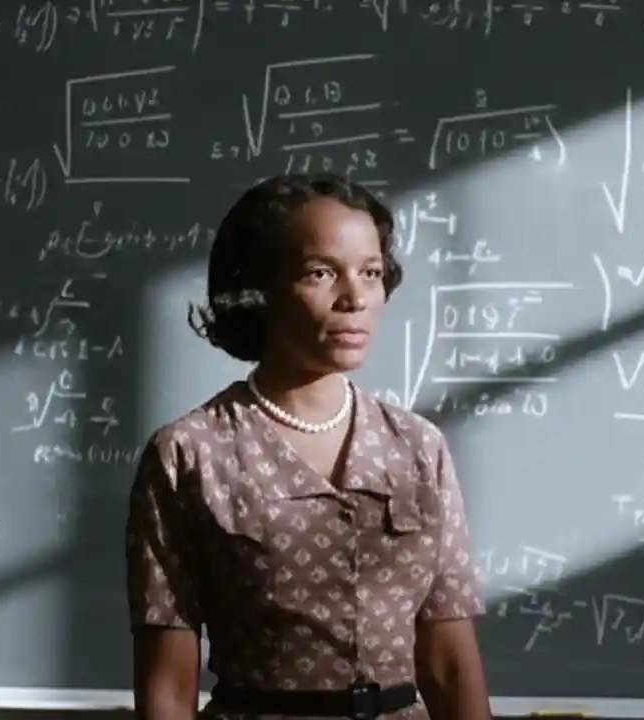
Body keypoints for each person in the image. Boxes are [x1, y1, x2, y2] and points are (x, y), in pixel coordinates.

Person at [125, 172, 491, 720]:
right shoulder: (189, 454)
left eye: (370, 273)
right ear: (260, 288)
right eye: (321, 273)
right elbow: (169, 687)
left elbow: (450, 663)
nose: (354, 298)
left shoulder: (417, 447)